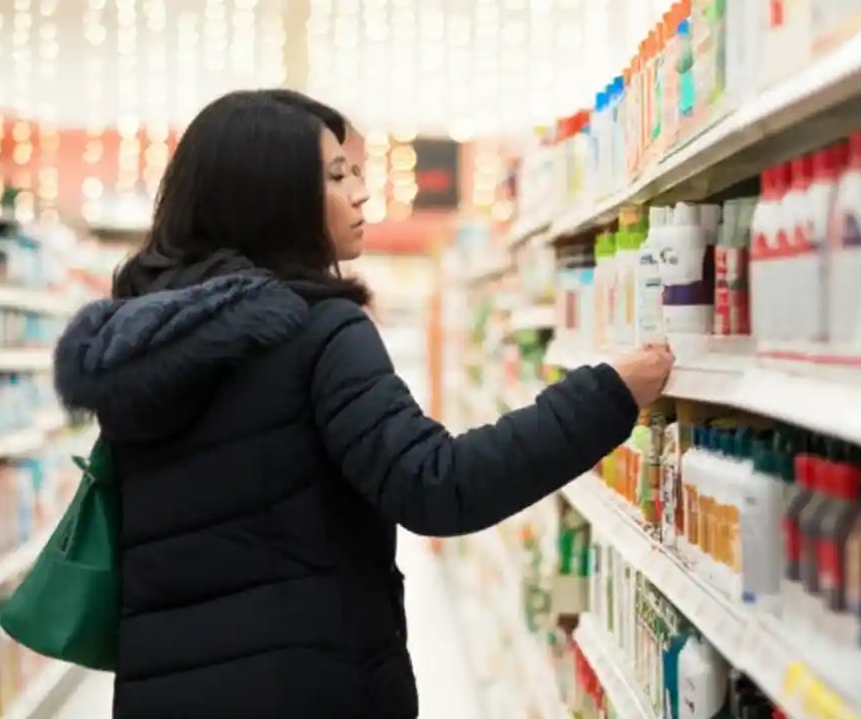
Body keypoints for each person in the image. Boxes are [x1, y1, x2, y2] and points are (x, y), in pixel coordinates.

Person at [53, 89, 673, 718]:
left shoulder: (137, 343)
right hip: (307, 689)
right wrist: (608, 393)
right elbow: (438, 484)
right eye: (336, 175)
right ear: (272, 196)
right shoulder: (317, 332)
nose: (361, 193)